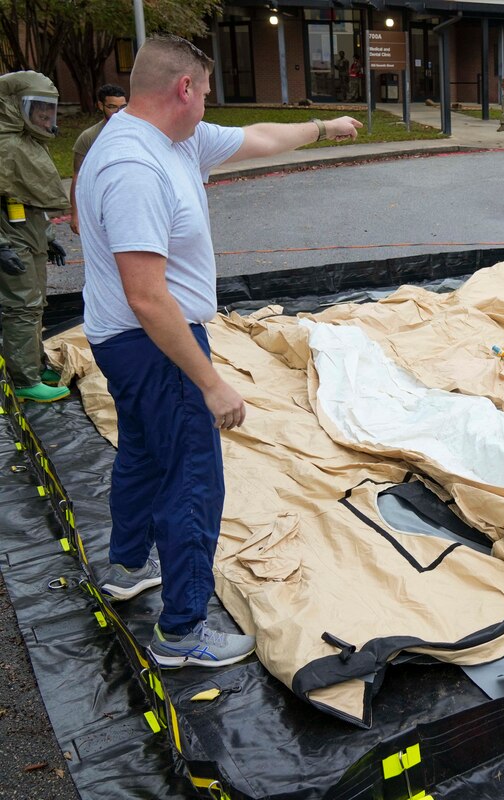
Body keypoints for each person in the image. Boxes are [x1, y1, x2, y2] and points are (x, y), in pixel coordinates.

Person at [75, 35, 362, 668]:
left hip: (130, 343)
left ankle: (126, 568)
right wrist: (209, 382)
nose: (209, 102)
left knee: (145, 456)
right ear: (184, 89)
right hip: (155, 345)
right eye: (205, 90)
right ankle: (181, 631)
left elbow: (257, 138)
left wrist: (324, 126)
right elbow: (148, 297)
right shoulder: (133, 168)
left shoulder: (173, 139)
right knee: (193, 484)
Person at [0, 70, 71, 403]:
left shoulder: (27, 143)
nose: (45, 114)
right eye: (37, 106)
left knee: (34, 303)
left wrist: (47, 235)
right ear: (14, 106)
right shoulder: (6, 146)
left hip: (28, 235)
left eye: (49, 107)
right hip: (10, 240)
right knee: (22, 307)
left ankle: (34, 364)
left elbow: (33, 201)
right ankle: (25, 380)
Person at [70, 84, 128, 235]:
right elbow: (77, 176)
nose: (118, 112)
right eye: (112, 107)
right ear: (100, 105)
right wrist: (76, 214)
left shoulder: (137, 131)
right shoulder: (88, 137)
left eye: (123, 106)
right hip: (102, 203)